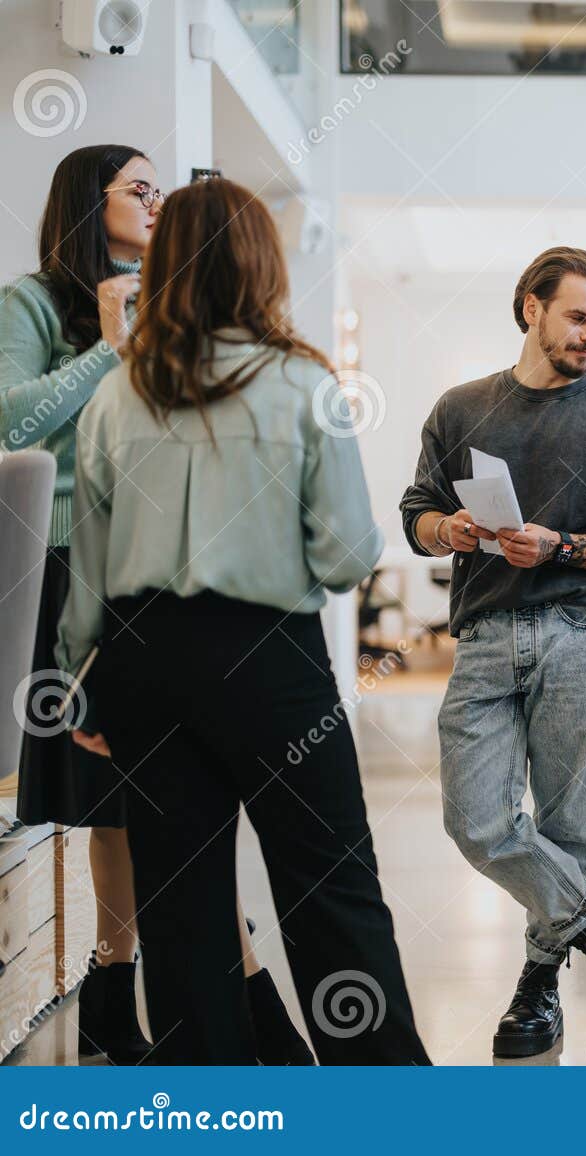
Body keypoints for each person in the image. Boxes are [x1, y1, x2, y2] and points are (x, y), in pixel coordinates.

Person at [53, 177, 429, 1065]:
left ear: (166, 266)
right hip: (267, 660)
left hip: (140, 660)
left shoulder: (118, 394)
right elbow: (344, 558)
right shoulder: (302, 383)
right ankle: (388, 1109)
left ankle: (212, 1112)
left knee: (180, 906)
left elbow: (89, 567)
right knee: (329, 884)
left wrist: (84, 690)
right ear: (262, 266)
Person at [1, 146, 310, 1065]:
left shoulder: (176, 301)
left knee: (163, 795)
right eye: (139, 188)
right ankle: (234, 999)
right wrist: (104, 346)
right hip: (68, 571)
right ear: (85, 205)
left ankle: (124, 996)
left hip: (165, 570)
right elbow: (9, 424)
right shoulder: (35, 303)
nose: (156, 201)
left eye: (161, 190)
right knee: (124, 799)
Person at [400, 247, 586, 1059]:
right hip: (484, 636)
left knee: (568, 827)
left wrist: (558, 546)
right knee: (477, 820)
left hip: (583, 635)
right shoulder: (460, 408)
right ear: (531, 308)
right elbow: (417, 510)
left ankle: (538, 987)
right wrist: (447, 530)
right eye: (578, 317)